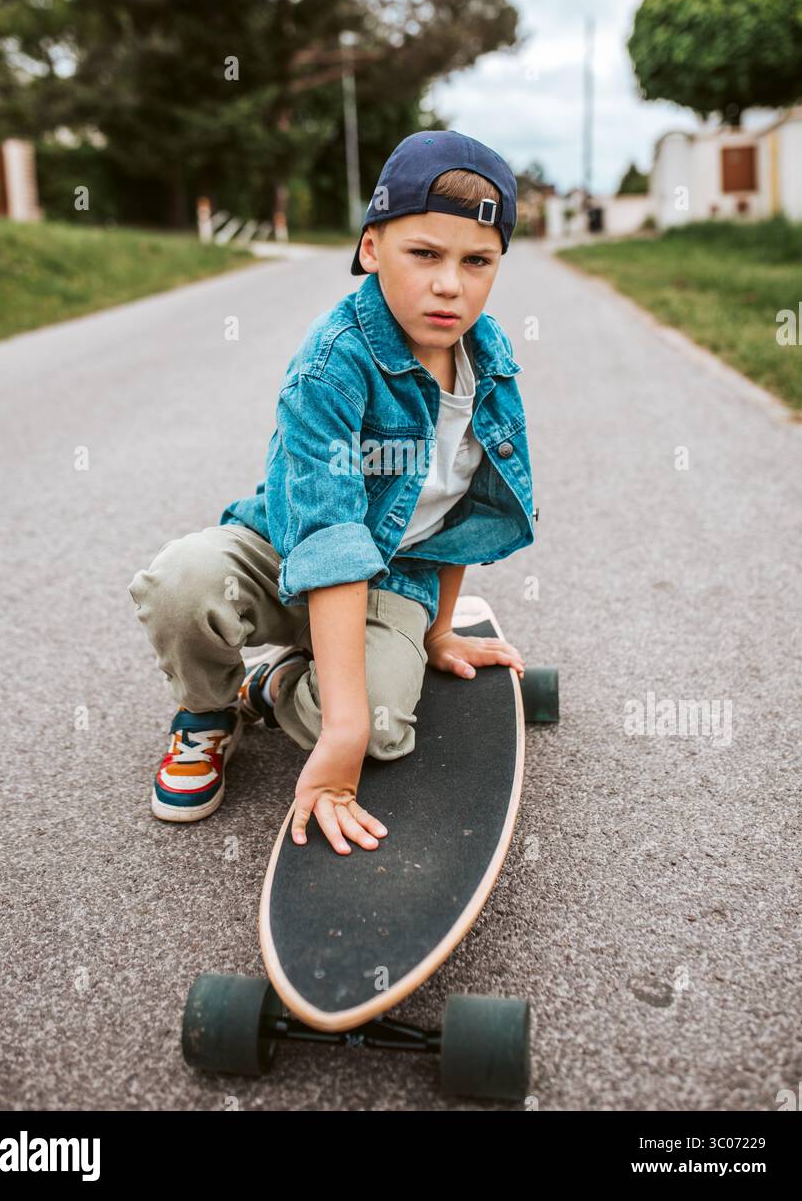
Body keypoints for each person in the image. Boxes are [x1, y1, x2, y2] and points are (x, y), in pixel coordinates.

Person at [128, 130, 536, 856]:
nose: (450, 284)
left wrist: (439, 631)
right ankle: (207, 710)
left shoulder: (490, 360)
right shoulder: (331, 364)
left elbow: (462, 513)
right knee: (182, 585)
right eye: (424, 254)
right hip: (286, 548)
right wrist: (336, 734)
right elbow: (328, 536)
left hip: (393, 579)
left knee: (379, 731)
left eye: (476, 261)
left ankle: (278, 685)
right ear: (372, 247)